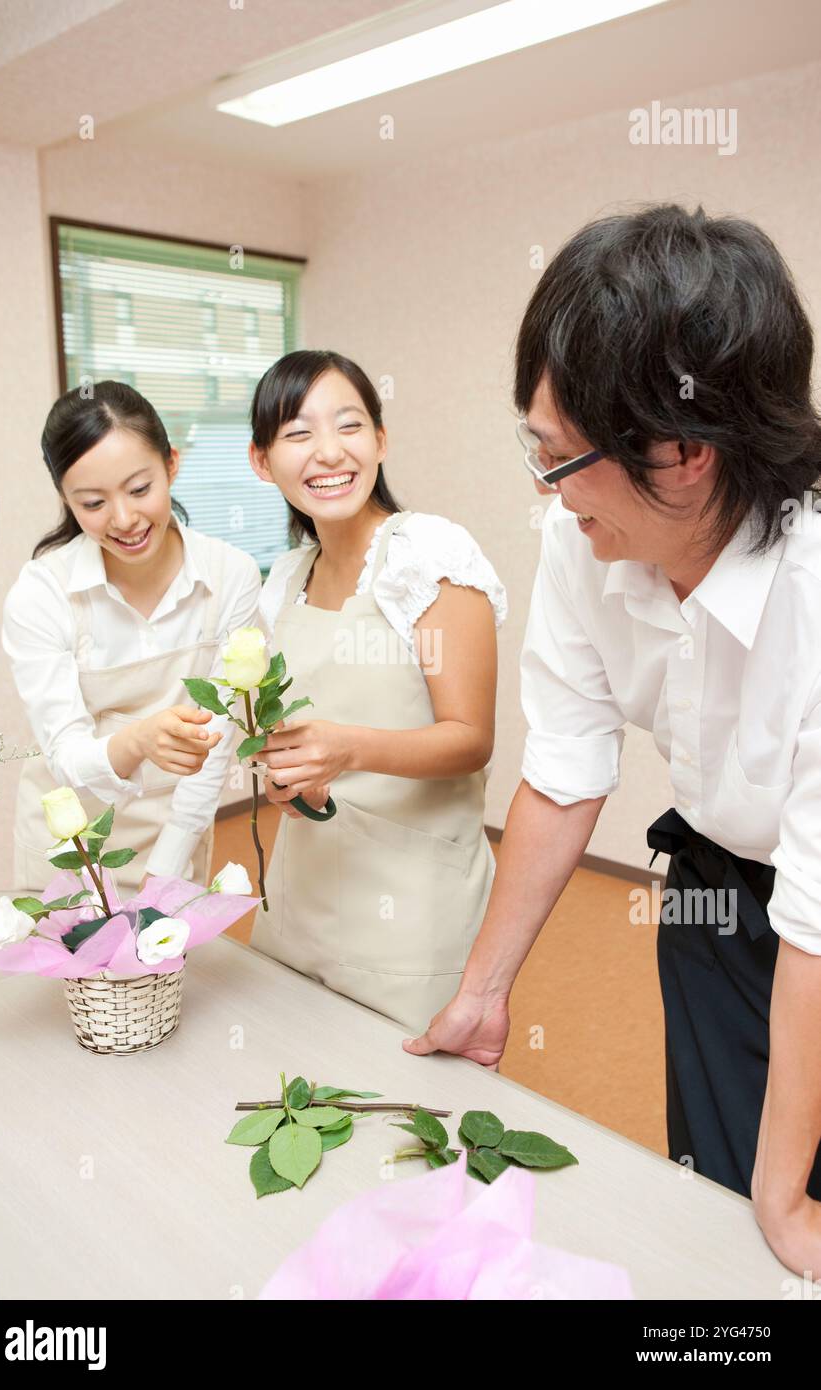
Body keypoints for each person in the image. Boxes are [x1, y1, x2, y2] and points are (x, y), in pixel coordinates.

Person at [403, 204, 821, 1278]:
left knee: (792, 1219)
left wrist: (784, 1198)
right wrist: (484, 991)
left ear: (680, 452)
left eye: (554, 457)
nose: (541, 486)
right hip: (718, 897)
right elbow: (562, 766)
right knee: (713, 1203)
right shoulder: (580, 536)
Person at [247, 349, 507, 1033]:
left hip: (412, 898)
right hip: (302, 881)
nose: (329, 453)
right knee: (293, 1086)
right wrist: (282, 778)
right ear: (261, 460)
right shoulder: (286, 577)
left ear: (381, 441)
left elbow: (470, 739)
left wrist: (345, 748)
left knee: (410, 1114)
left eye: (350, 426)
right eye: (298, 434)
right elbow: (288, 732)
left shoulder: (427, 555)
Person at [3, 380, 261, 895]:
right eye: (93, 502)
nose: (124, 519)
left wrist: (164, 870)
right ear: (66, 499)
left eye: (140, 489)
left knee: (169, 977)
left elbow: (216, 742)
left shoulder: (231, 574)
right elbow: (65, 752)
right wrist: (138, 740)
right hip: (67, 844)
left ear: (171, 464)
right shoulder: (42, 592)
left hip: (177, 831)